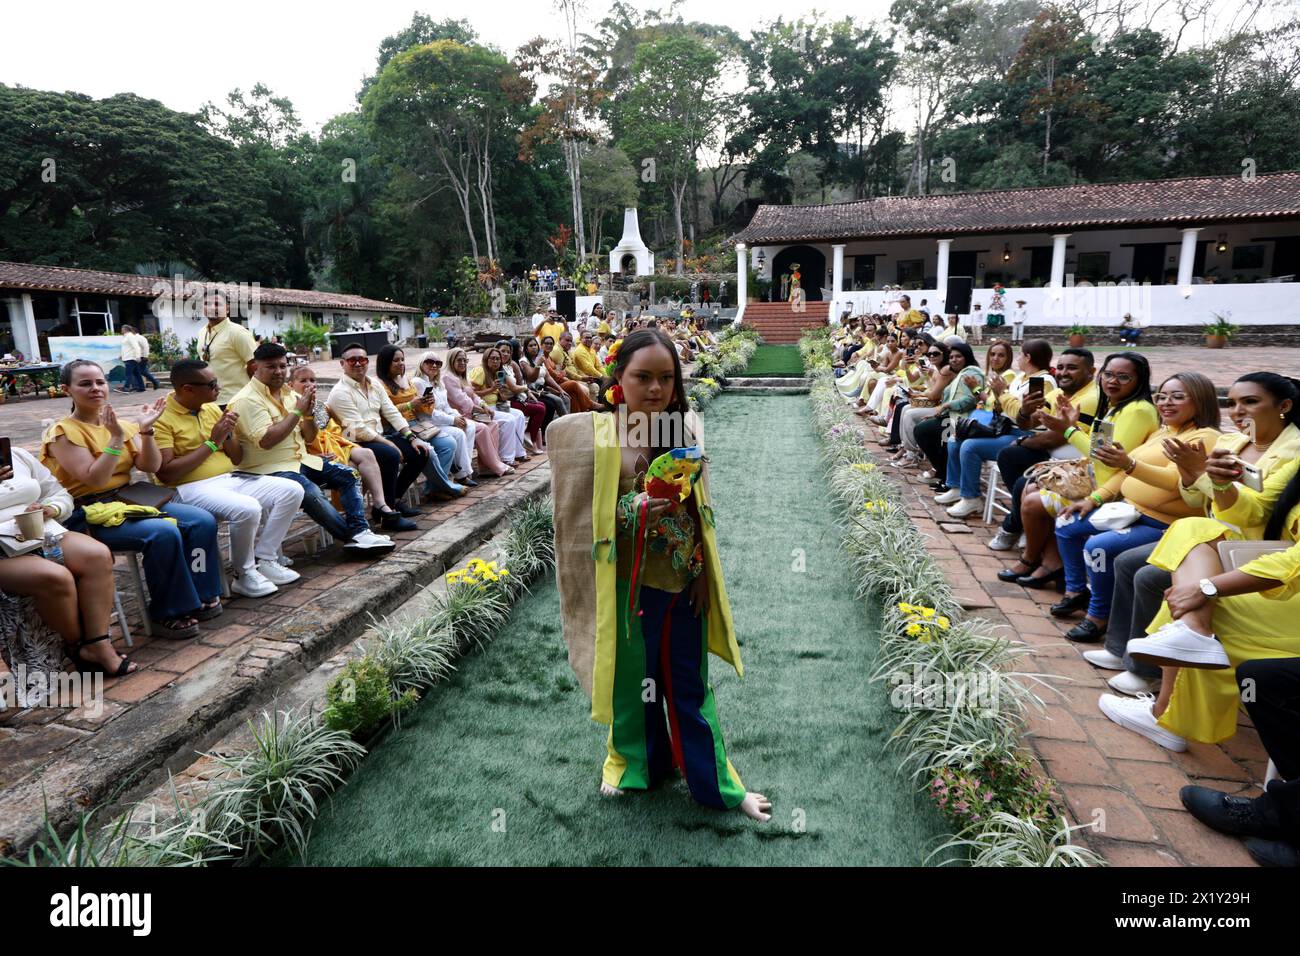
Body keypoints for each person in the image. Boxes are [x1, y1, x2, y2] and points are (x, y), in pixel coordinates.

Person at [548, 327, 772, 822]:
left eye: (666, 378)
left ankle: (719, 787)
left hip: (680, 584)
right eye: (642, 377)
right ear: (618, 379)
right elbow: (578, 520)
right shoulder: (593, 438)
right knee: (633, 686)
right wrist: (632, 512)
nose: (655, 389)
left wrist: (699, 576)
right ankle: (633, 767)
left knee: (689, 687)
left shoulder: (682, 433)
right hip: (627, 590)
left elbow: (698, 516)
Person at [42, 360, 223, 639]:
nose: (95, 388)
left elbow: (150, 466)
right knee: (162, 532)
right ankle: (168, 610)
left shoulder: (124, 425)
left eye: (100, 382)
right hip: (89, 511)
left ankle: (201, 591)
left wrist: (146, 431)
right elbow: (95, 479)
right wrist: (115, 439)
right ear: (67, 389)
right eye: (85, 383)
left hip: (129, 500)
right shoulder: (63, 432)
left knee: (201, 521)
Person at [1050, 372, 1221, 642]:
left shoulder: (1184, 429)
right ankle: (1075, 591)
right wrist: (1095, 498)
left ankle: (1098, 614)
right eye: (1162, 396)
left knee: (1097, 546)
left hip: (1159, 521)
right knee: (1066, 523)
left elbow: (1170, 480)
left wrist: (1124, 461)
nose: (1166, 403)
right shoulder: (1148, 424)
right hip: (1124, 507)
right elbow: (1118, 466)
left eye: (1177, 397)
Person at [152, 359, 305, 598]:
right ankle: (243, 574)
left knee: (292, 490)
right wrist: (213, 442)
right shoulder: (162, 417)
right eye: (211, 384)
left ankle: (265, 558)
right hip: (186, 488)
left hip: (228, 477)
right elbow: (167, 472)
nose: (218, 388)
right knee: (247, 508)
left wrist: (228, 434)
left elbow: (236, 458)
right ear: (187, 389)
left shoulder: (211, 408)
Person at [1006, 352, 1157, 591]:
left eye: (1123, 377)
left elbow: (1106, 458)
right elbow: (1097, 449)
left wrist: (1067, 430)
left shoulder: (1137, 410)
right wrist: (1073, 425)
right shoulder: (1116, 406)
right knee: (1030, 487)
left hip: (1112, 489)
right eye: (1109, 374)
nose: (1113, 381)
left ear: (1139, 380)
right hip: (1097, 478)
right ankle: (1050, 561)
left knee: (1033, 503)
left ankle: (1033, 560)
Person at [230, 342, 396, 548]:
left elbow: (309, 438)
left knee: (349, 474)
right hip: (268, 469)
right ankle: (354, 536)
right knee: (311, 493)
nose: (279, 371)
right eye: (271, 366)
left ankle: (360, 531)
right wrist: (298, 412)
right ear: (256, 367)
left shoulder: (289, 394)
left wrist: (308, 418)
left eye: (282, 366)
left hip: (300, 460)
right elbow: (266, 441)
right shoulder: (247, 400)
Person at [0, 441, 132, 676]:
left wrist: (52, 509)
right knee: (55, 577)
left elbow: (59, 493)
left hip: (40, 532)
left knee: (97, 555)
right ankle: (80, 646)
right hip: (2, 552)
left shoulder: (16, 456)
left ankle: (98, 643)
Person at [987, 347, 1099, 551]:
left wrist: (1021, 441)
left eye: (1072, 368)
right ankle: (1023, 521)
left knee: (1018, 470)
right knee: (1009, 455)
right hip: (1053, 456)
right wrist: (1024, 411)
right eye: (1061, 367)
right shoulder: (1058, 392)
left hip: (1076, 463)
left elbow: (1055, 438)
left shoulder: (1091, 397)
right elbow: (1027, 423)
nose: (1064, 373)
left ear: (1091, 371)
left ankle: (1016, 524)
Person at [936, 339, 1054, 518]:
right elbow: (993, 404)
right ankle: (956, 486)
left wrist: (1000, 394)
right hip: (1002, 427)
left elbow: (1023, 416)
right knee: (955, 440)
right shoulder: (1021, 379)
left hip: (1023, 433)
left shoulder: (1041, 381)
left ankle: (971, 498)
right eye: (993, 354)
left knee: (969, 446)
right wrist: (988, 394)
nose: (1018, 359)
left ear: (1028, 358)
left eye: (1020, 354)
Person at [327, 342, 431, 523]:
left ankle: (394, 500)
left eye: (362, 359)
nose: (358, 363)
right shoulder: (340, 392)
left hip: (379, 436)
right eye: (352, 360)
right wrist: (389, 443)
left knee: (420, 452)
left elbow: (391, 411)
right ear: (342, 364)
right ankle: (387, 513)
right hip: (356, 442)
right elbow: (358, 429)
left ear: (367, 362)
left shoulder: (374, 384)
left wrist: (410, 437)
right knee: (390, 454)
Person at [289, 364, 405, 506]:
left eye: (312, 380)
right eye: (303, 381)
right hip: (314, 453)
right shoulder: (290, 407)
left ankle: (382, 506)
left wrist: (353, 441)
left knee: (369, 454)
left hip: (340, 443)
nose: (309, 384)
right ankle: (355, 513)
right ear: (290, 385)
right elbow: (297, 440)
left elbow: (343, 428)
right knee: (356, 467)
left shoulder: (322, 405)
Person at [375, 344, 466, 503]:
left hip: (416, 424)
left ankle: (434, 488)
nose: (401, 363)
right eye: (396, 360)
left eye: (402, 359)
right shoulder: (380, 385)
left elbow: (420, 408)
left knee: (448, 443)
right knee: (428, 451)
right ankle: (447, 486)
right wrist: (411, 405)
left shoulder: (406, 381)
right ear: (385, 362)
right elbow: (385, 413)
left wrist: (427, 402)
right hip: (395, 429)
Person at [442, 349, 515, 478]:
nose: (463, 363)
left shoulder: (462, 377)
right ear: (451, 360)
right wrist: (481, 409)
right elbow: (462, 401)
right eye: (459, 360)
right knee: (483, 428)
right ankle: (496, 465)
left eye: (465, 360)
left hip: (470, 415)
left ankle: (486, 466)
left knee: (493, 424)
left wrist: (484, 405)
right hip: (459, 416)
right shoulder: (448, 377)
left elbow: (474, 396)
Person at [469, 347, 531, 462]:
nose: (496, 361)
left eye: (498, 359)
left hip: (496, 406)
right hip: (482, 409)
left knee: (519, 415)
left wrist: (502, 393)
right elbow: (472, 393)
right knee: (509, 419)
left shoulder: (498, 373)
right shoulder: (481, 371)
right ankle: (506, 458)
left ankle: (518, 452)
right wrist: (491, 389)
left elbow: (504, 394)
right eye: (492, 358)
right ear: (486, 359)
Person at [198, 290, 257, 406]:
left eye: (216, 304)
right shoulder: (202, 332)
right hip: (210, 401)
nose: (211, 307)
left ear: (227, 308)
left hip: (236, 399)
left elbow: (254, 365)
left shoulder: (238, 332)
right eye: (207, 304)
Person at [541, 334, 596, 413]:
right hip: (552, 386)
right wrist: (578, 378)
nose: (549, 345)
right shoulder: (545, 356)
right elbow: (553, 374)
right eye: (546, 343)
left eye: (551, 344)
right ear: (541, 345)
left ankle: (578, 415)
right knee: (574, 384)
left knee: (573, 393)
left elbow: (562, 370)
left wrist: (582, 377)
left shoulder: (549, 356)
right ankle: (590, 405)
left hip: (560, 381)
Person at [116, 325, 146, 393]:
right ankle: (142, 387)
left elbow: (136, 346)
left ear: (125, 329)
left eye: (122, 329)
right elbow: (127, 348)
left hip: (130, 358)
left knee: (128, 374)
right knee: (136, 373)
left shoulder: (130, 336)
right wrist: (121, 355)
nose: (121, 330)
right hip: (129, 358)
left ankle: (126, 387)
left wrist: (138, 356)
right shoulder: (127, 337)